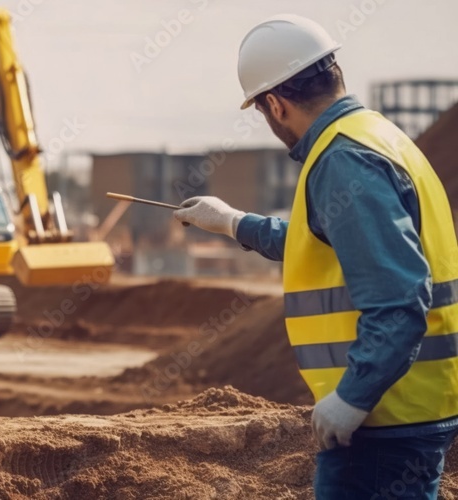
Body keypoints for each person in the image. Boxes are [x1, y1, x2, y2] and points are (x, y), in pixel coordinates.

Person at [174, 14, 458, 499]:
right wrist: (232, 222)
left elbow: (399, 299)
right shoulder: (376, 136)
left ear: (275, 104)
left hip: (383, 419)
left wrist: (353, 397)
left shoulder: (343, 160)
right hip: (402, 410)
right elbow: (328, 241)